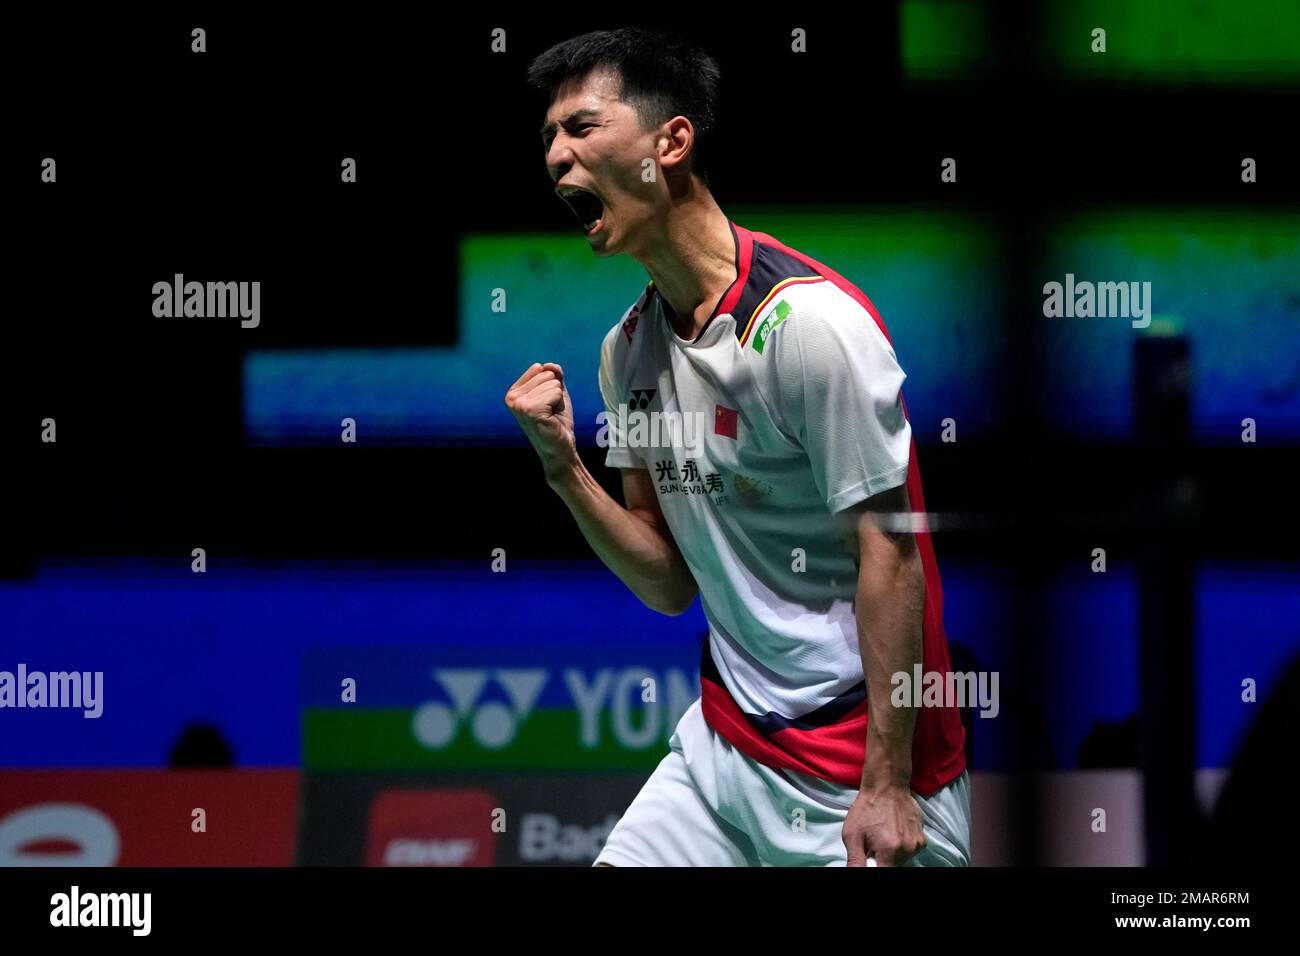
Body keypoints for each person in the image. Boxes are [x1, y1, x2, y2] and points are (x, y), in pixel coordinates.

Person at [506, 27, 969, 867]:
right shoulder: (628, 355)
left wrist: (887, 781)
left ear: (671, 143)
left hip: (859, 765)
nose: (556, 156)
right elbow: (668, 583)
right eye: (548, 138)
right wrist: (564, 468)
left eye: (580, 127)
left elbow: (891, 552)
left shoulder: (809, 327)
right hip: (725, 749)